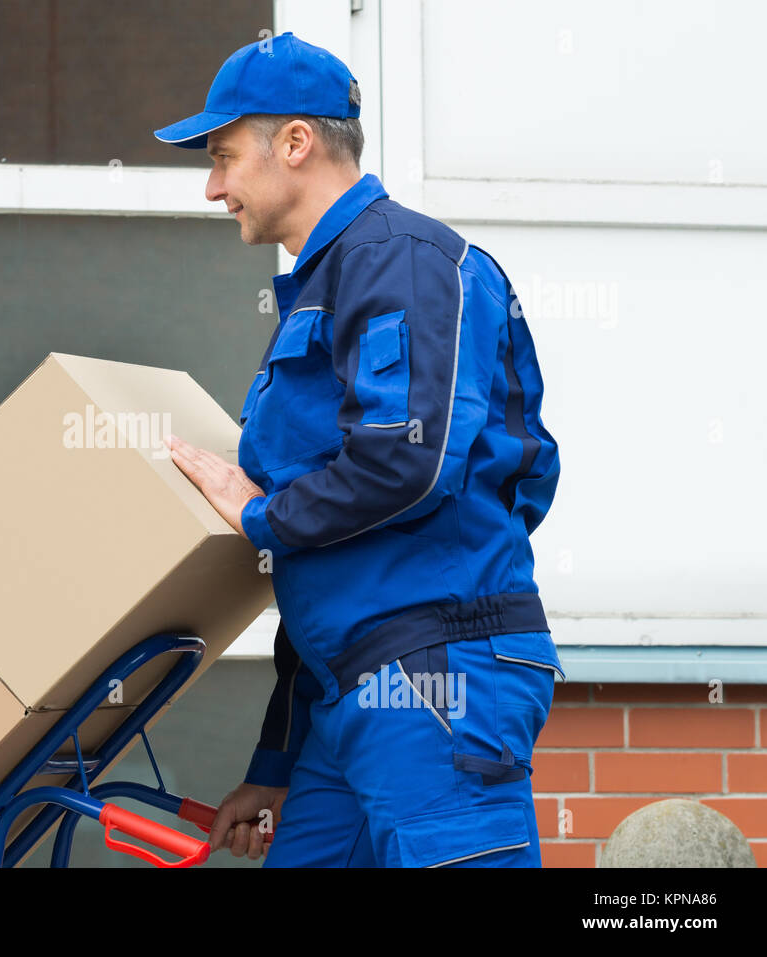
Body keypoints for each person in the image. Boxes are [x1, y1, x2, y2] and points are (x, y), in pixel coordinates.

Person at [154, 32, 564, 867]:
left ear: (295, 143)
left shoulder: (401, 262)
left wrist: (259, 513)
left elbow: (405, 462)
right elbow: (331, 563)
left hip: (435, 681)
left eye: (225, 156)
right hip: (353, 692)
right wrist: (278, 759)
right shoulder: (335, 282)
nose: (213, 186)